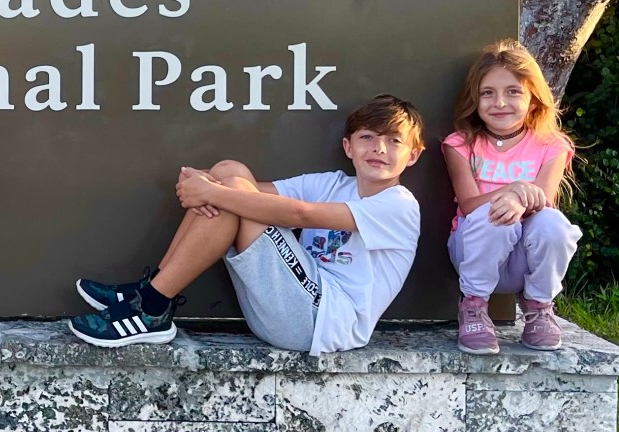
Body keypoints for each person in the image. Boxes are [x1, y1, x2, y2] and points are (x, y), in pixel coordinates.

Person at [69, 95, 425, 355]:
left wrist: (210, 192)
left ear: (413, 154)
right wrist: (203, 183)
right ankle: (151, 294)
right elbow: (247, 189)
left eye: (393, 140)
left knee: (229, 196)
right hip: (286, 303)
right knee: (230, 172)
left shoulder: (399, 206)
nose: (379, 148)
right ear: (348, 146)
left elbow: (300, 215)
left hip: (319, 323)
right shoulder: (336, 184)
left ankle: (150, 306)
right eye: (367, 137)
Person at [442, 39, 580, 354]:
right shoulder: (461, 144)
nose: (499, 102)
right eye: (487, 93)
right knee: (497, 216)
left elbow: (543, 201)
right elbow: (467, 204)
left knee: (553, 224)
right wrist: (511, 192)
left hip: (525, 259)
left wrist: (517, 200)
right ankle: (474, 307)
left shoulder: (551, 145)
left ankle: (539, 306)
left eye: (513, 91)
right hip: (474, 251)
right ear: (474, 100)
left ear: (533, 98)